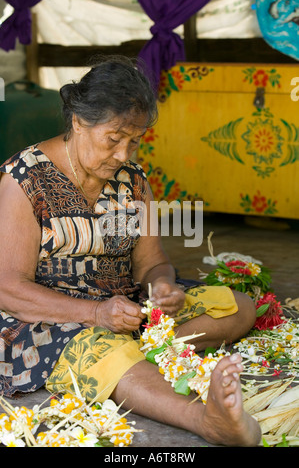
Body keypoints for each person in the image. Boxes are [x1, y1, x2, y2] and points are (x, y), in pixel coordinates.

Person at [0, 55, 261, 446]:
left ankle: (131, 358)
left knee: (237, 306)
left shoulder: (133, 180)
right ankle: (203, 418)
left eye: (134, 142)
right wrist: (94, 314)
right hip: (51, 321)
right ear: (78, 122)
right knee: (100, 350)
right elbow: (7, 287)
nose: (124, 155)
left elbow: (153, 263)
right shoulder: (25, 178)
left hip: (124, 310)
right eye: (113, 139)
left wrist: (161, 289)